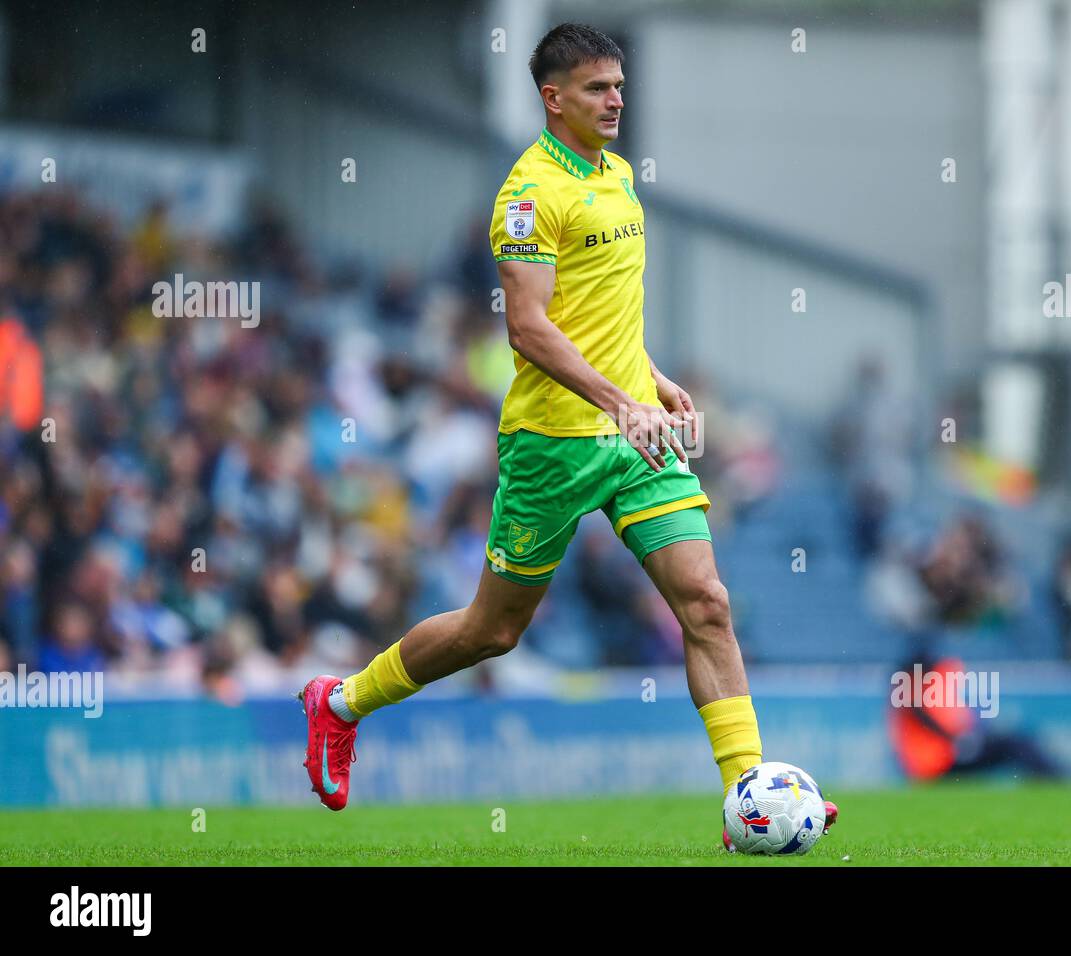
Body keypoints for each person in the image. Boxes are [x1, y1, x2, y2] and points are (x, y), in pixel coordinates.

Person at [297, 23, 836, 848]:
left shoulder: (619, 175)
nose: (617, 99)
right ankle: (339, 703)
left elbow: (600, 312)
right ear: (554, 98)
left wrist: (648, 377)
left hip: (635, 436)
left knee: (708, 604)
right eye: (596, 88)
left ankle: (748, 798)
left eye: (619, 85)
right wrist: (621, 401)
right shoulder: (527, 194)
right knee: (493, 630)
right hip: (554, 443)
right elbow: (528, 328)